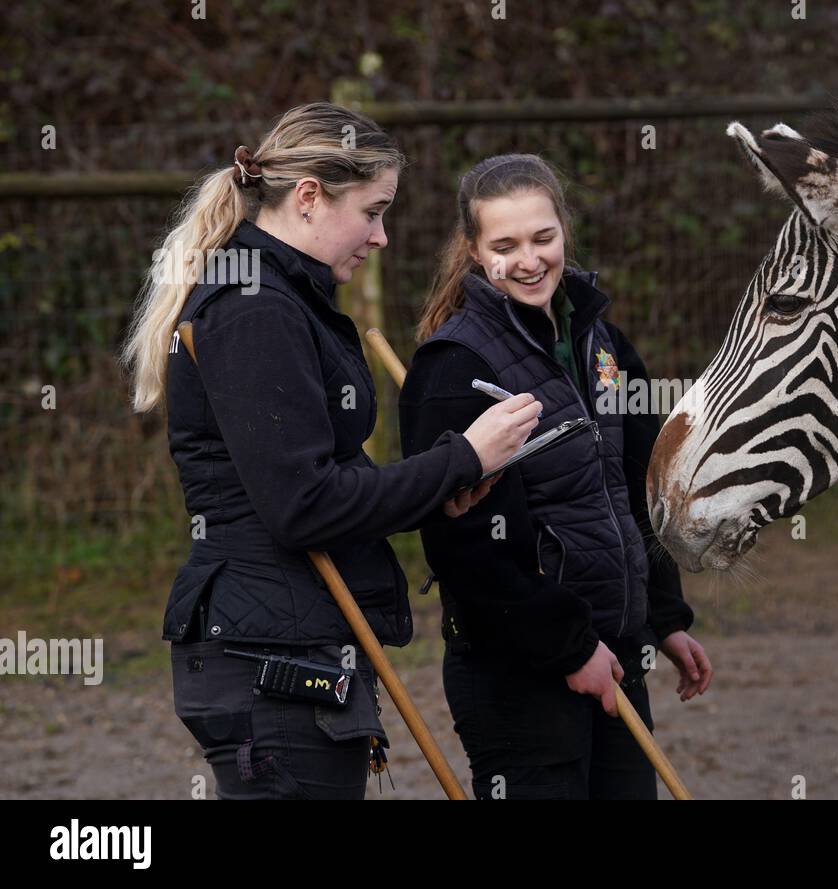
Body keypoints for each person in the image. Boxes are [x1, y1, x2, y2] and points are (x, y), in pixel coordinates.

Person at [121, 103, 539, 799]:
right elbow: (304, 506)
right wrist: (462, 455)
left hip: (290, 647)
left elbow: (328, 483)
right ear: (309, 197)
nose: (381, 236)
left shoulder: (284, 296)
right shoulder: (256, 308)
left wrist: (444, 482)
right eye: (373, 211)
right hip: (268, 664)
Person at [399, 153, 713, 800]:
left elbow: (636, 486)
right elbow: (463, 549)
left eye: (543, 238)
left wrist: (665, 615)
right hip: (519, 669)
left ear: (564, 231)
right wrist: (569, 647)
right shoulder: (454, 368)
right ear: (475, 250)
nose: (530, 259)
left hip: (618, 650)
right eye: (505, 244)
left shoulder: (603, 342)